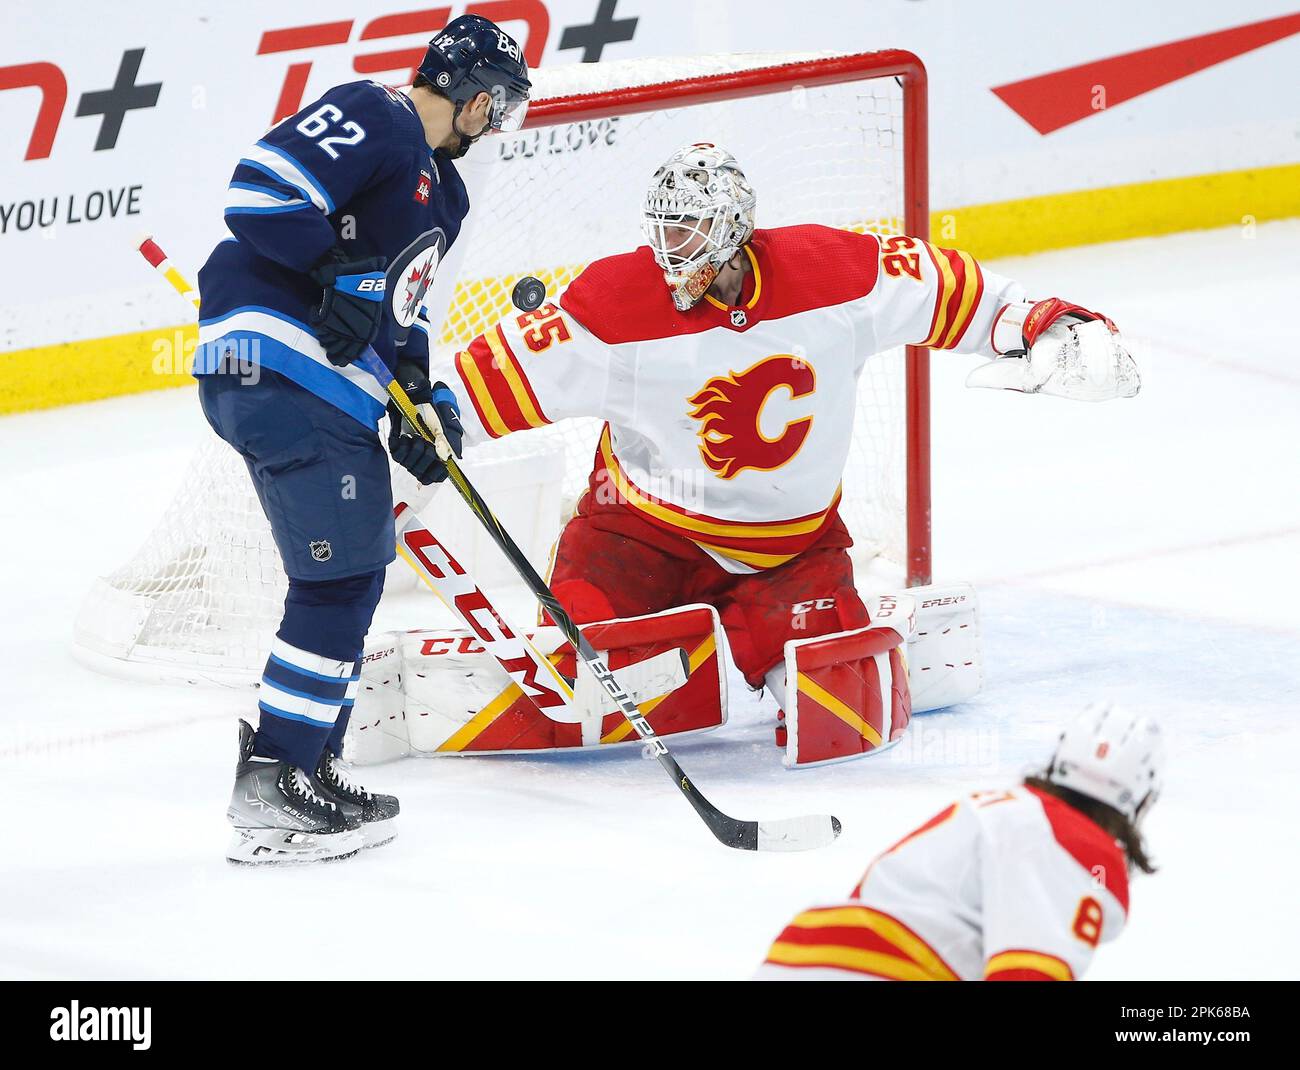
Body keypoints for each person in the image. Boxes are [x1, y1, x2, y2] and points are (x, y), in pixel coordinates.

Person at [426, 143, 1140, 758]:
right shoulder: (615, 305)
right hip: (640, 537)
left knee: (842, 712)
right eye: (663, 232)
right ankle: (675, 650)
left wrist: (1045, 325)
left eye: (691, 232)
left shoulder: (833, 273)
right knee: (588, 691)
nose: (671, 252)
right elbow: (490, 379)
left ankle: (826, 638)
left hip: (789, 553)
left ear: (733, 230)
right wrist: (417, 421)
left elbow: (949, 288)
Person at [192, 14, 530, 864]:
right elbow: (261, 188)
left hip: (316, 384)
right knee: (340, 576)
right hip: (277, 362)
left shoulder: (440, 196)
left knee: (350, 571)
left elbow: (393, 322)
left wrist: (425, 405)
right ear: (471, 91)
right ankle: (275, 781)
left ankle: (309, 764)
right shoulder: (379, 114)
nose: (499, 121)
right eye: (500, 102)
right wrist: (330, 269)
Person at [755, 703, 1164, 980]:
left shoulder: (999, 810)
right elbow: (1027, 973)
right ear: (1141, 798)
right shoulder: (1075, 847)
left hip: (799, 954)